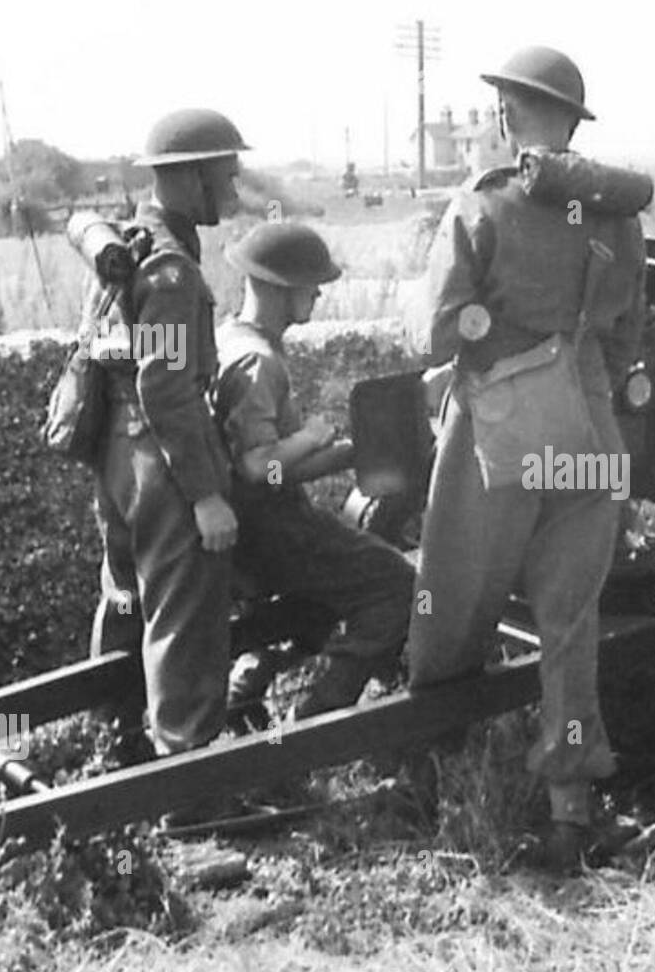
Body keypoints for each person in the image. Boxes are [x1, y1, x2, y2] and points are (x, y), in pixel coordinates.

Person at [407, 46, 648, 871]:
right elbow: (625, 336)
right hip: (591, 437)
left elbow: (434, 328)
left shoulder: (484, 206)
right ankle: (570, 813)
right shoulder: (616, 217)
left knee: (451, 604)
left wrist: (488, 343)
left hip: (501, 433)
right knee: (571, 624)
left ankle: (426, 776)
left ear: (508, 116)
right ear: (573, 126)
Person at [90, 108, 246, 758]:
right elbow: (164, 384)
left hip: (120, 453)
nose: (234, 191)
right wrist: (206, 494)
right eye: (225, 176)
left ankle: (117, 745)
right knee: (185, 616)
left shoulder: (132, 245)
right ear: (190, 180)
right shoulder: (172, 269)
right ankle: (188, 796)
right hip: (163, 459)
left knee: (127, 602)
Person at [213, 222, 414, 724]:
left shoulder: (235, 339)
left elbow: (277, 469)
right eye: (312, 283)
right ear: (282, 289)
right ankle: (315, 723)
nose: (320, 292)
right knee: (396, 585)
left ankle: (246, 688)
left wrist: (354, 452)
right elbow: (260, 467)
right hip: (273, 532)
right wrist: (311, 437)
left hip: (260, 526)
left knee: (345, 573)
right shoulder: (257, 361)